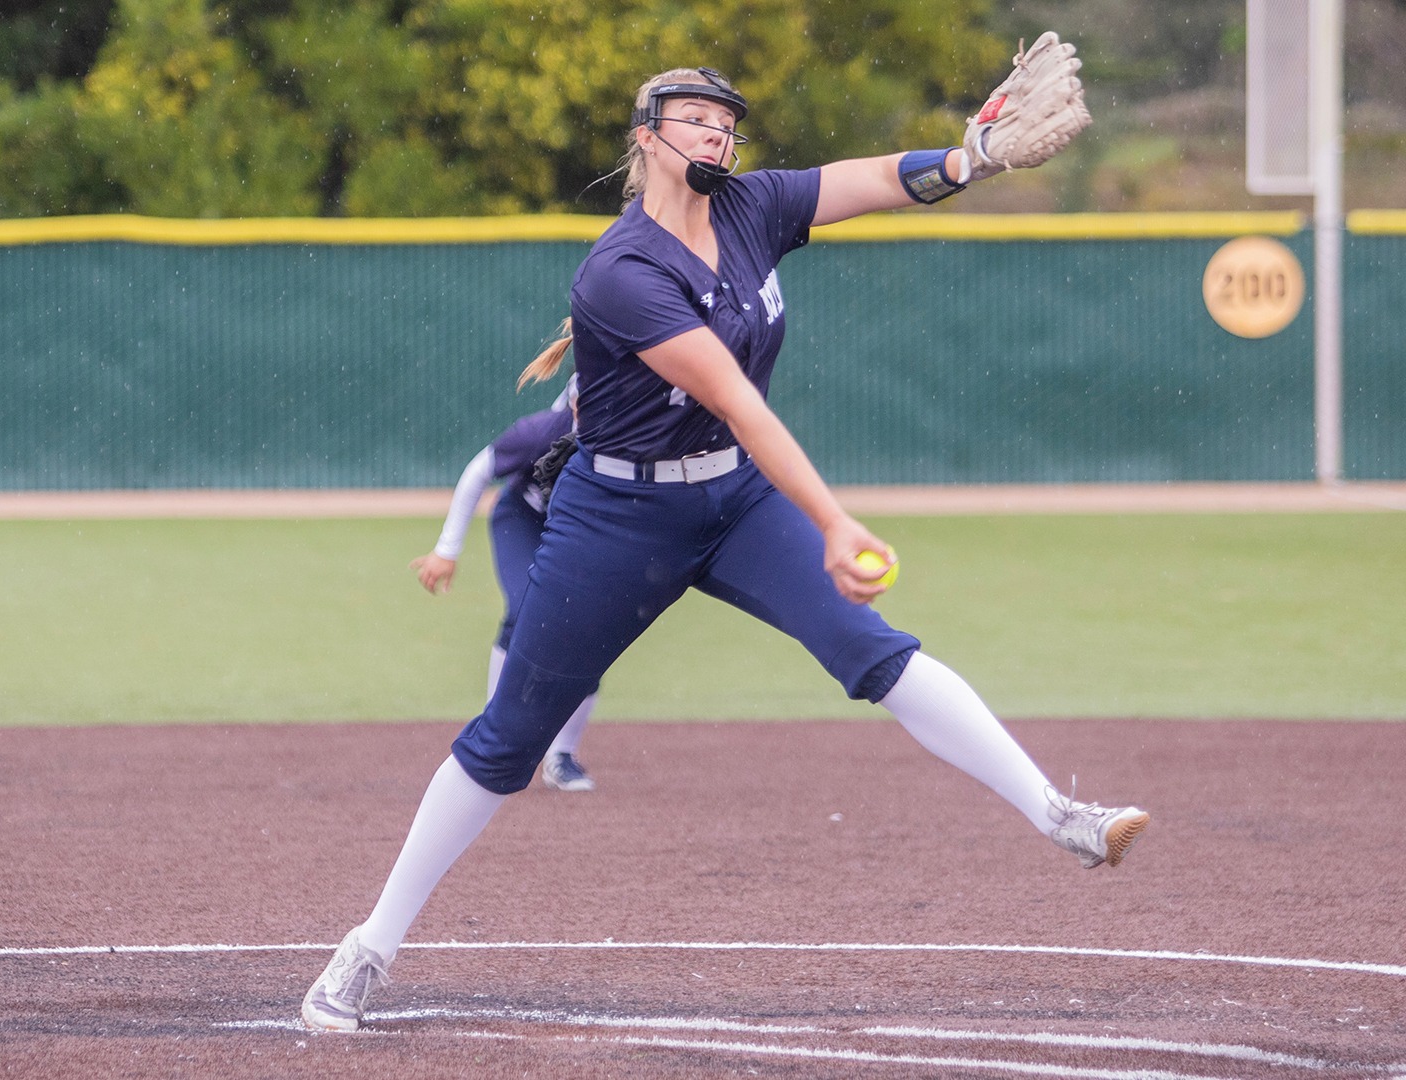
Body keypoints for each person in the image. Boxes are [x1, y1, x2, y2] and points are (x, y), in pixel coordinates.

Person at [304, 50, 1144, 1033]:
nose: (717, 131)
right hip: (618, 519)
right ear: (647, 134)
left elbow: (874, 181)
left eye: (726, 120)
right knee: (508, 741)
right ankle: (367, 949)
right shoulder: (622, 270)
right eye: (695, 117)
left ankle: (1060, 816)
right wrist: (833, 520)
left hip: (735, 505)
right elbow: (736, 399)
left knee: (871, 650)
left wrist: (970, 160)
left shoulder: (751, 210)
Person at [410, 375, 599, 792]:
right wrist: (447, 549)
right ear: (572, 405)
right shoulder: (541, 432)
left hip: (585, 534)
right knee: (523, 610)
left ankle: (562, 755)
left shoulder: (634, 440)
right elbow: (480, 471)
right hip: (525, 520)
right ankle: (495, 732)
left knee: (593, 631)